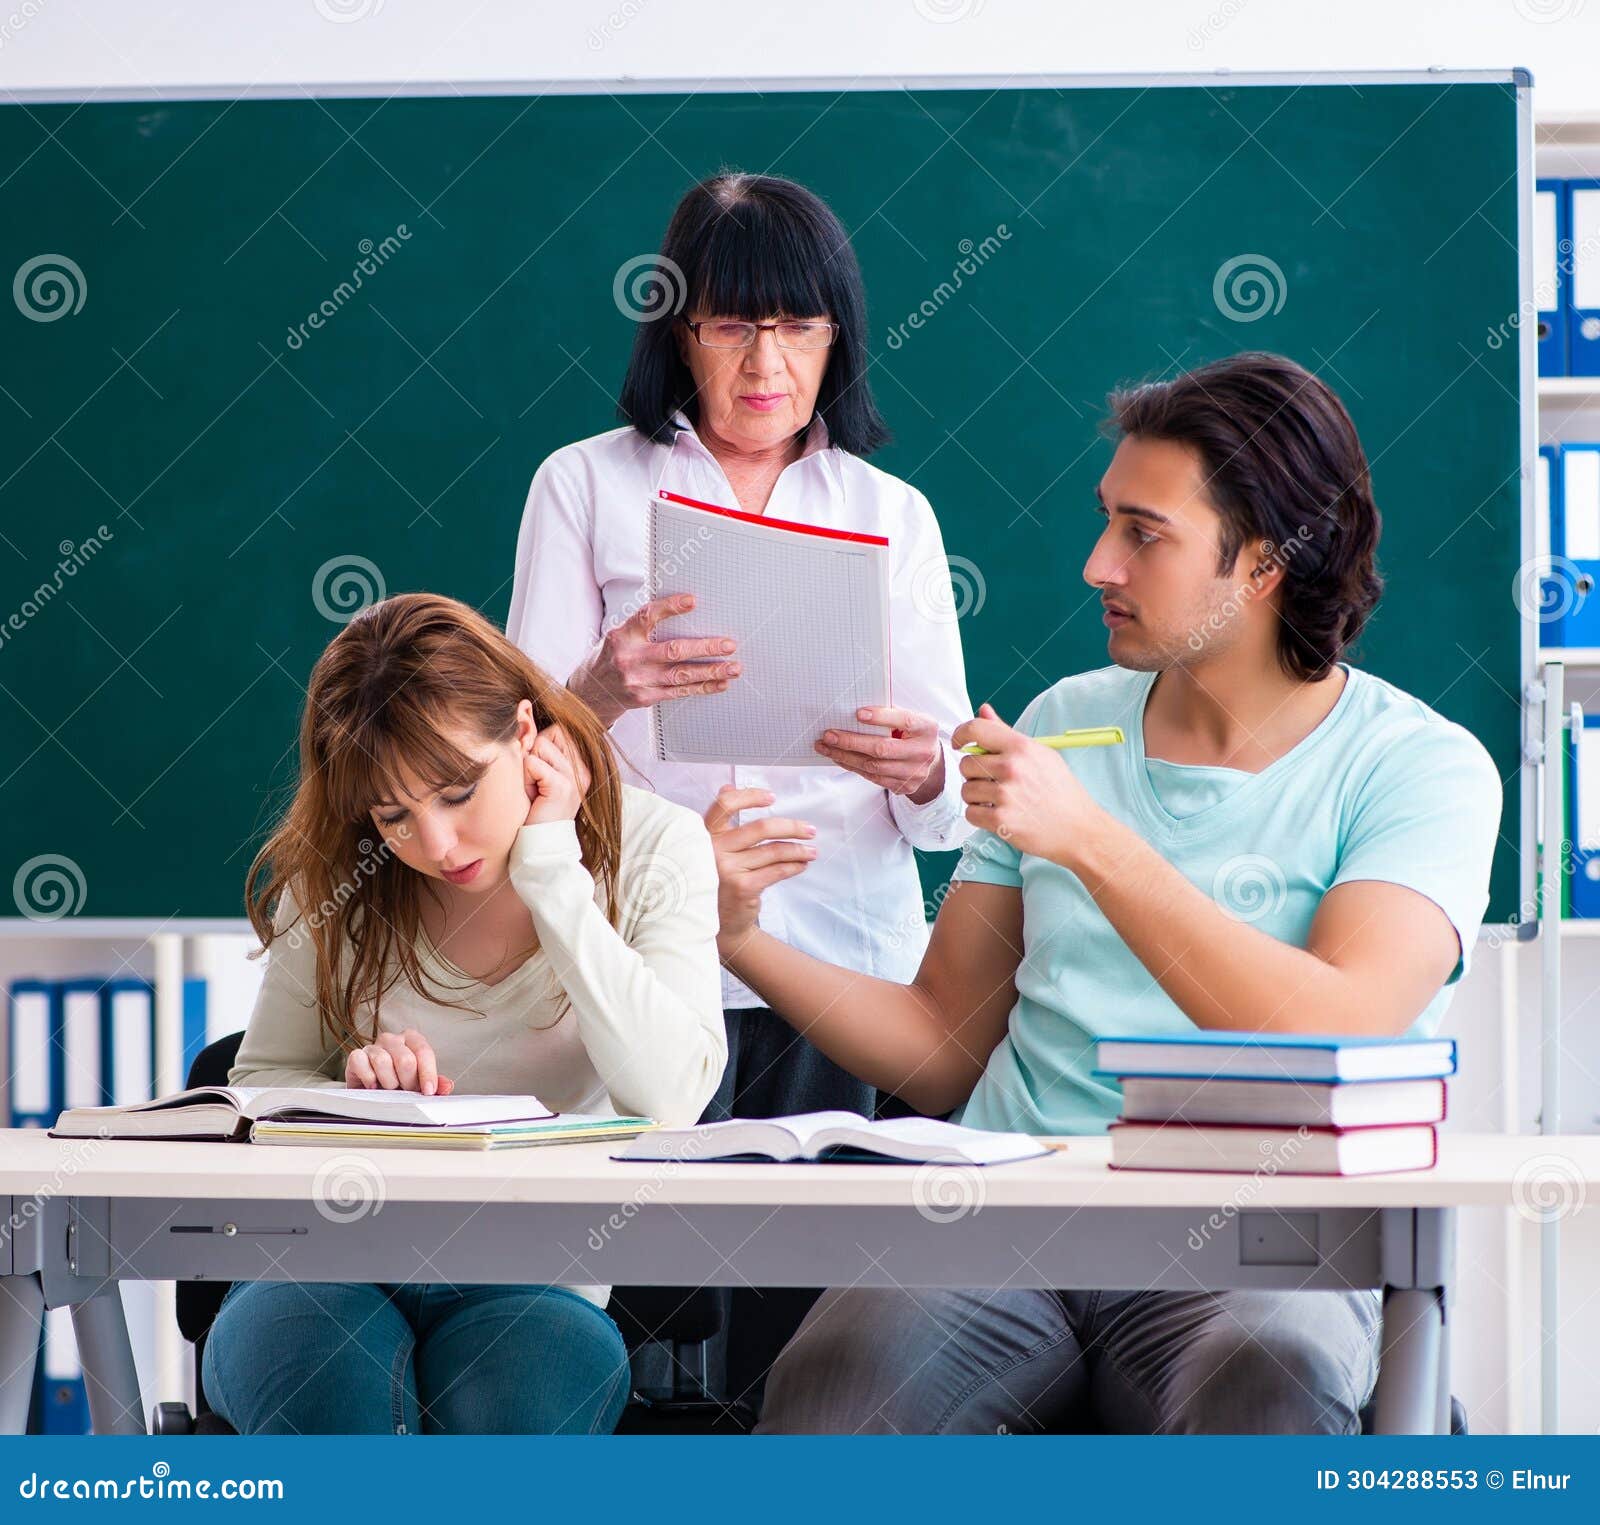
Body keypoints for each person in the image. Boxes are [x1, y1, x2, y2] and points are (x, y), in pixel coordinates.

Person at [708, 351, 1504, 1434]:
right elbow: (946, 1039)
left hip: (1260, 1242)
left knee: (1267, 1384)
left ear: (1265, 562)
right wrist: (742, 937)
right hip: (1010, 1220)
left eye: (1144, 532)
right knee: (838, 1389)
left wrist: (1091, 840)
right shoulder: (1064, 721)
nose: (1095, 565)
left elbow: (1338, 1033)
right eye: (1104, 520)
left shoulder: (1422, 766)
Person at [506, 171, 974, 1396]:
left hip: (845, 966)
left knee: (821, 1338)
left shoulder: (891, 512)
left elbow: (946, 811)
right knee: (647, 1325)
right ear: (680, 332)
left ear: (837, 338)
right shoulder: (585, 485)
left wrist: (924, 767)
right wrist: (599, 691)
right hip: (647, 959)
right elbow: (517, 769)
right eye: (732, 323)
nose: (767, 361)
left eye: (798, 325)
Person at [204, 593, 725, 1435]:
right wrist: (349, 1099)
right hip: (322, 1259)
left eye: (457, 790)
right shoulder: (341, 875)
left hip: (538, 1276)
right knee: (332, 1409)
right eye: (394, 815)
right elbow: (262, 1082)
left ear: (529, 733)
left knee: (514, 1416)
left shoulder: (656, 846)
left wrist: (552, 869)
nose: (438, 845)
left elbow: (669, 1097)